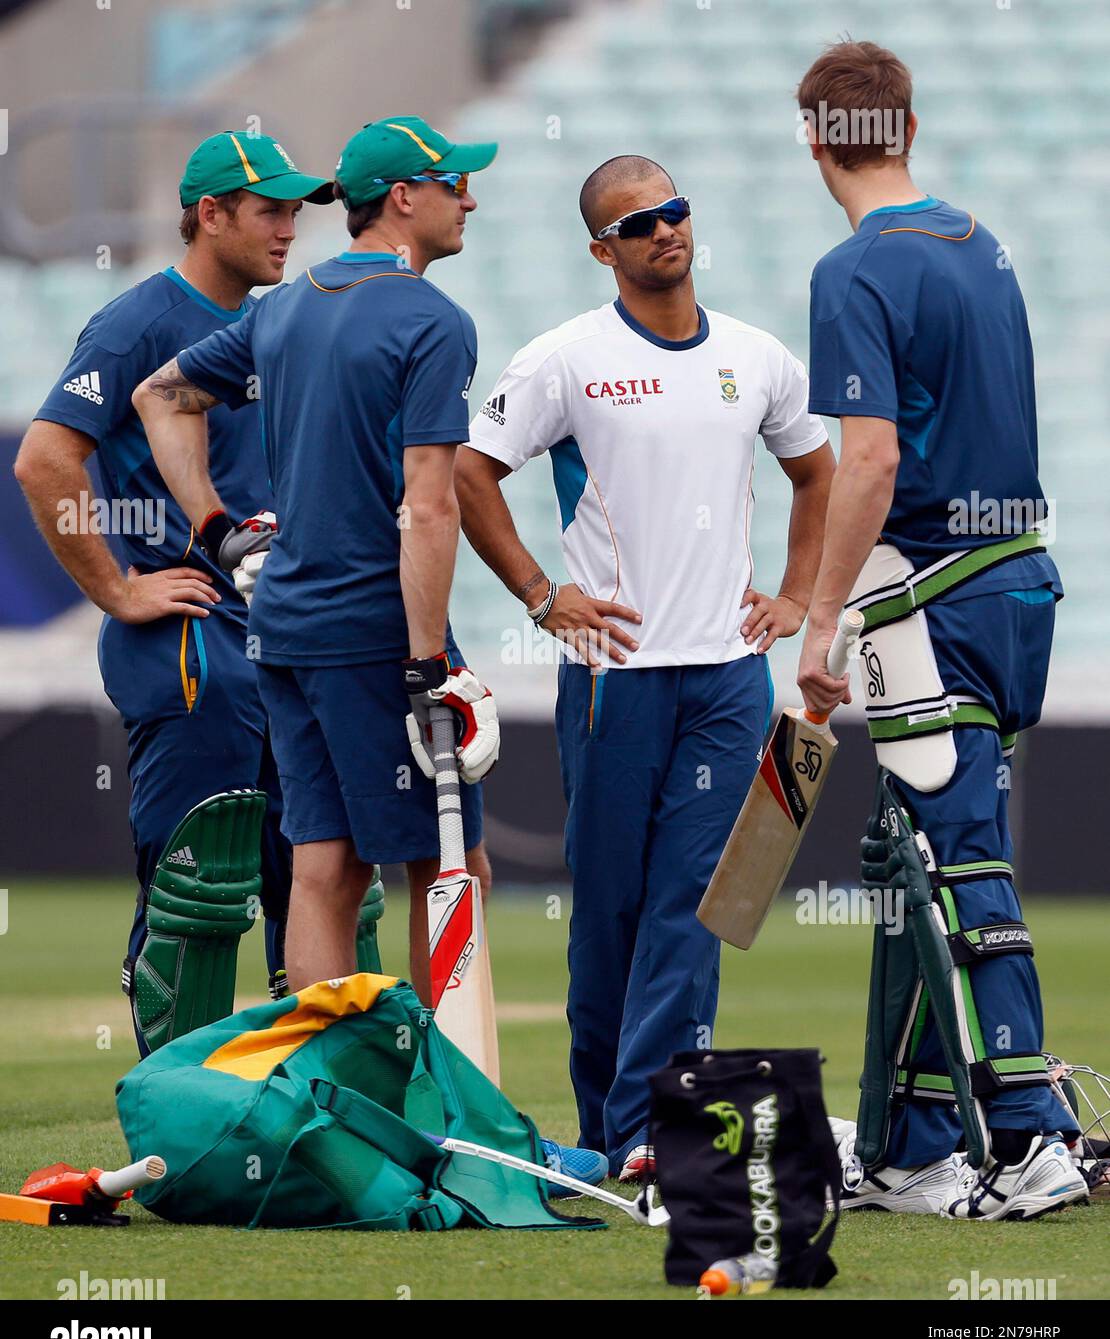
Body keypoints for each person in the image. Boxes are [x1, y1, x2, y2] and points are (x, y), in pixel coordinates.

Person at [132, 115, 603, 1191]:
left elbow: (165, 393)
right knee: (451, 868)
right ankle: (468, 1135)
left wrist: (213, 528)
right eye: (453, 182)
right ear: (400, 198)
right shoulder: (431, 319)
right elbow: (429, 507)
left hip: (287, 630)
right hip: (370, 637)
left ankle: (332, 1123)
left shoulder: (288, 304)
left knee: (323, 870)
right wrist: (428, 658)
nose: (469, 199)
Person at [456, 155, 835, 1181]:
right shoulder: (565, 359)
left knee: (694, 903)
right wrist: (542, 594)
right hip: (613, 678)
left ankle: (651, 1128)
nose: (664, 231)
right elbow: (469, 470)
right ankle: (609, 1121)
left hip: (725, 677)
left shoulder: (757, 357)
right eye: (637, 224)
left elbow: (816, 470)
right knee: (612, 908)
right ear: (602, 250)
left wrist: (796, 596)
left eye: (674, 211)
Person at [794, 41, 1087, 1220]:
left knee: (959, 859)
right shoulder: (984, 245)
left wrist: (820, 616)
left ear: (814, 142)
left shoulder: (853, 270)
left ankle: (1028, 1138)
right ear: (906, 128)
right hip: (1018, 583)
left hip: (935, 599)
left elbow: (870, 461)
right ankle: (911, 1140)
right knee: (909, 851)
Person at [15, 131, 339, 1054]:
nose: (289, 229)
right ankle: (179, 1123)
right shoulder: (139, 323)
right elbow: (46, 461)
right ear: (209, 213)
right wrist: (116, 589)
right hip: (193, 645)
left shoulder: (281, 322)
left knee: (320, 881)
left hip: (288, 643)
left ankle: (302, 1113)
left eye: (296, 210)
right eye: (270, 209)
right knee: (198, 890)